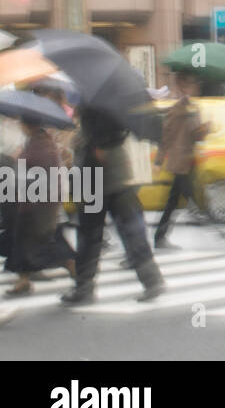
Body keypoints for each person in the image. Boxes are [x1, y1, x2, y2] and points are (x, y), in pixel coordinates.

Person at [62, 107, 165, 306]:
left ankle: (84, 288)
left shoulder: (94, 103)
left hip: (95, 175)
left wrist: (88, 142)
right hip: (118, 172)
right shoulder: (116, 104)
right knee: (131, 229)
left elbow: (94, 134)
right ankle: (152, 279)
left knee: (90, 235)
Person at [3, 115, 75, 297]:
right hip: (34, 202)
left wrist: (18, 162)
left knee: (46, 242)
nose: (20, 125)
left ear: (29, 125)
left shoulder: (40, 145)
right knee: (23, 242)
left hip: (40, 204)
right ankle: (23, 281)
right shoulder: (37, 141)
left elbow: (35, 173)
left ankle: (75, 269)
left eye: (22, 123)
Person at [153, 71, 209, 250]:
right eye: (191, 84)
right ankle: (221, 231)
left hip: (189, 162)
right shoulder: (176, 109)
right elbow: (166, 136)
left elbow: (197, 136)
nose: (195, 88)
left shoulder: (193, 108)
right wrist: (159, 161)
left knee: (173, 202)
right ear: (183, 87)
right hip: (179, 164)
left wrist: (205, 129)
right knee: (192, 201)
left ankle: (159, 236)